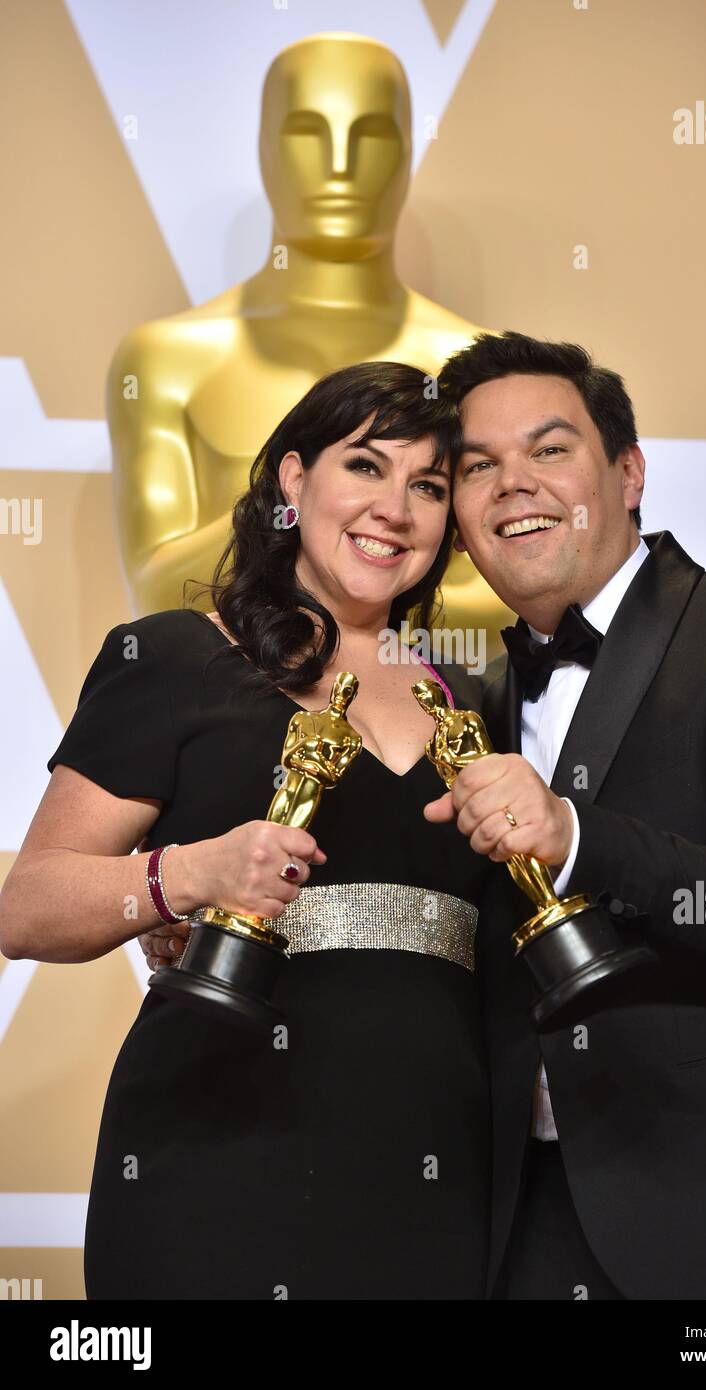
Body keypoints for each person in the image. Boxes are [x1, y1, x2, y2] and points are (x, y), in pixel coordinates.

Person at [0, 362, 493, 1300]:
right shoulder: (174, 657)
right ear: (293, 479)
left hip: (434, 1166)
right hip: (218, 1151)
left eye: (428, 486)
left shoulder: (473, 703)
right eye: (365, 466)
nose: (394, 509)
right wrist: (186, 875)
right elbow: (26, 909)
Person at [422, 330, 706, 1301]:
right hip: (520, 1224)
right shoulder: (464, 699)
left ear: (628, 472)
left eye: (548, 449)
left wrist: (575, 836)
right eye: (477, 466)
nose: (512, 483)